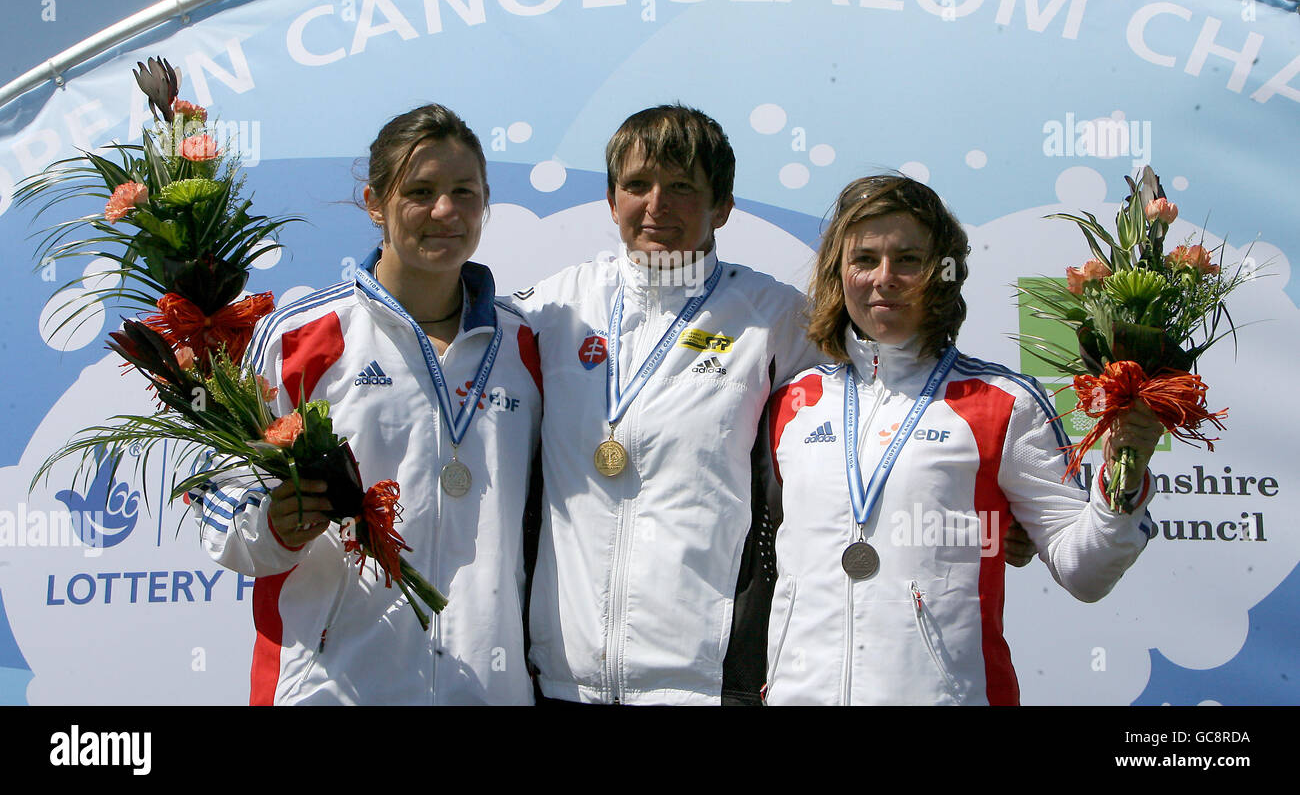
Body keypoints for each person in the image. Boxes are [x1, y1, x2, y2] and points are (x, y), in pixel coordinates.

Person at [191, 104, 542, 705]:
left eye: (464, 192)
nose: (445, 212)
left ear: (486, 201)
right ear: (374, 202)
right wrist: (274, 527)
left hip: (487, 687)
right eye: (420, 191)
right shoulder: (300, 337)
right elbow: (217, 502)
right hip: (334, 687)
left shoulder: (527, 344)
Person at [764, 174, 1160, 705]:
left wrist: (1123, 477)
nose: (885, 278)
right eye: (865, 259)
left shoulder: (1003, 401)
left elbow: (1084, 572)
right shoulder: (793, 400)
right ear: (839, 273)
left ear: (943, 275)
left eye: (908, 260)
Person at [511, 104, 819, 704]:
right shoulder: (550, 310)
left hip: (700, 682)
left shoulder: (777, 319)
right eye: (637, 185)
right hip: (560, 680)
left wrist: (986, 498)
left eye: (682, 187)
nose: (657, 204)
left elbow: (883, 413)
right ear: (610, 198)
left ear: (722, 206)